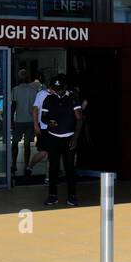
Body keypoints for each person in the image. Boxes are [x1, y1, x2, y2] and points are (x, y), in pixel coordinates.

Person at [40, 75, 82, 207]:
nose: (57, 91)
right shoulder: (48, 99)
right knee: (53, 168)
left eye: (59, 88)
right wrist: (49, 122)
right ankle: (52, 195)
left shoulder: (72, 98)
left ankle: (72, 196)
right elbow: (44, 118)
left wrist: (75, 138)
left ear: (64, 87)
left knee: (70, 168)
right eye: (55, 88)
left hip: (69, 138)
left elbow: (79, 119)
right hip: (53, 137)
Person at [11, 68, 38, 179]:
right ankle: (26, 165)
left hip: (19, 120)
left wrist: (10, 120)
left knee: (15, 144)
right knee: (27, 145)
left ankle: (14, 164)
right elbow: (35, 107)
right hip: (30, 120)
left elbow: (13, 106)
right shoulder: (33, 90)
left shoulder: (15, 89)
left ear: (18, 78)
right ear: (27, 77)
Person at [30, 74, 50, 175]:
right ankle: (30, 167)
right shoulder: (42, 94)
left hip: (54, 128)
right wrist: (35, 125)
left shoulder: (61, 95)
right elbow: (34, 109)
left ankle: (48, 177)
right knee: (43, 152)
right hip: (43, 127)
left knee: (51, 153)